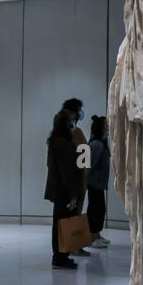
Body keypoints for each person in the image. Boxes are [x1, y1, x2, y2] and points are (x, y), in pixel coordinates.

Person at [45, 108, 85, 270]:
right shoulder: (62, 142)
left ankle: (60, 256)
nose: (73, 123)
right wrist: (73, 195)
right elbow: (66, 171)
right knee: (62, 224)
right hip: (64, 191)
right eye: (70, 120)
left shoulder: (55, 140)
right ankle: (60, 257)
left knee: (60, 223)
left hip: (60, 190)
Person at [60, 97, 90, 255]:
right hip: (78, 179)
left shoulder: (62, 133)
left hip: (69, 178)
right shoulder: (76, 132)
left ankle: (69, 245)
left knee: (68, 214)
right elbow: (84, 155)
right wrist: (85, 173)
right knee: (75, 212)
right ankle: (74, 245)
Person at [86, 115, 112, 248]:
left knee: (99, 209)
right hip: (94, 183)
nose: (108, 128)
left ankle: (96, 234)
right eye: (105, 126)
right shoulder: (96, 144)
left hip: (98, 183)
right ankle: (92, 236)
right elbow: (88, 165)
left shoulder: (101, 143)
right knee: (95, 209)